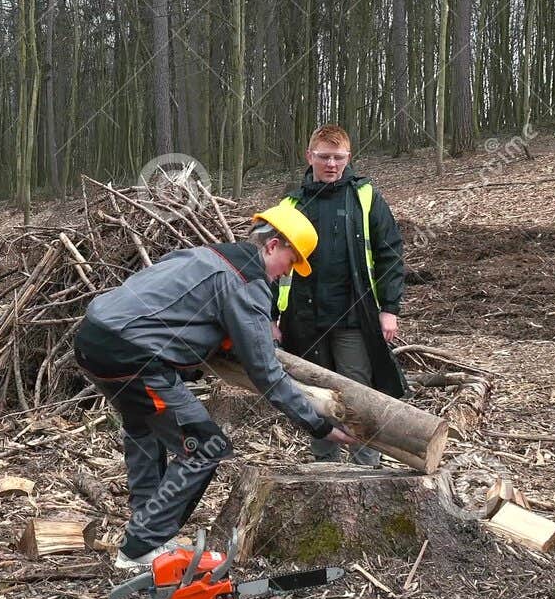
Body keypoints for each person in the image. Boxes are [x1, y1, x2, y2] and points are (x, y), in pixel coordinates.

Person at [74, 204, 359, 570]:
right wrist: (318, 424)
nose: (288, 273)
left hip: (94, 336)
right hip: (134, 357)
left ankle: (145, 536)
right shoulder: (246, 283)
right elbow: (266, 372)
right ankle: (140, 548)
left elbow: (184, 306)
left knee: (144, 429)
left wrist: (242, 329)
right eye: (290, 261)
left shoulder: (206, 254)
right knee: (206, 446)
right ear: (272, 246)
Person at [274, 124, 408, 466]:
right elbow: (271, 264)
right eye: (324, 157)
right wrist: (271, 314)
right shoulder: (292, 203)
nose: (331, 164)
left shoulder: (365, 196)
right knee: (314, 395)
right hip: (303, 318)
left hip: (353, 314)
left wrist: (389, 309)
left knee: (357, 391)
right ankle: (324, 467)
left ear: (348, 158)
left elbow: (389, 253)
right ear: (309, 157)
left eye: (338, 157)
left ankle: (366, 467)